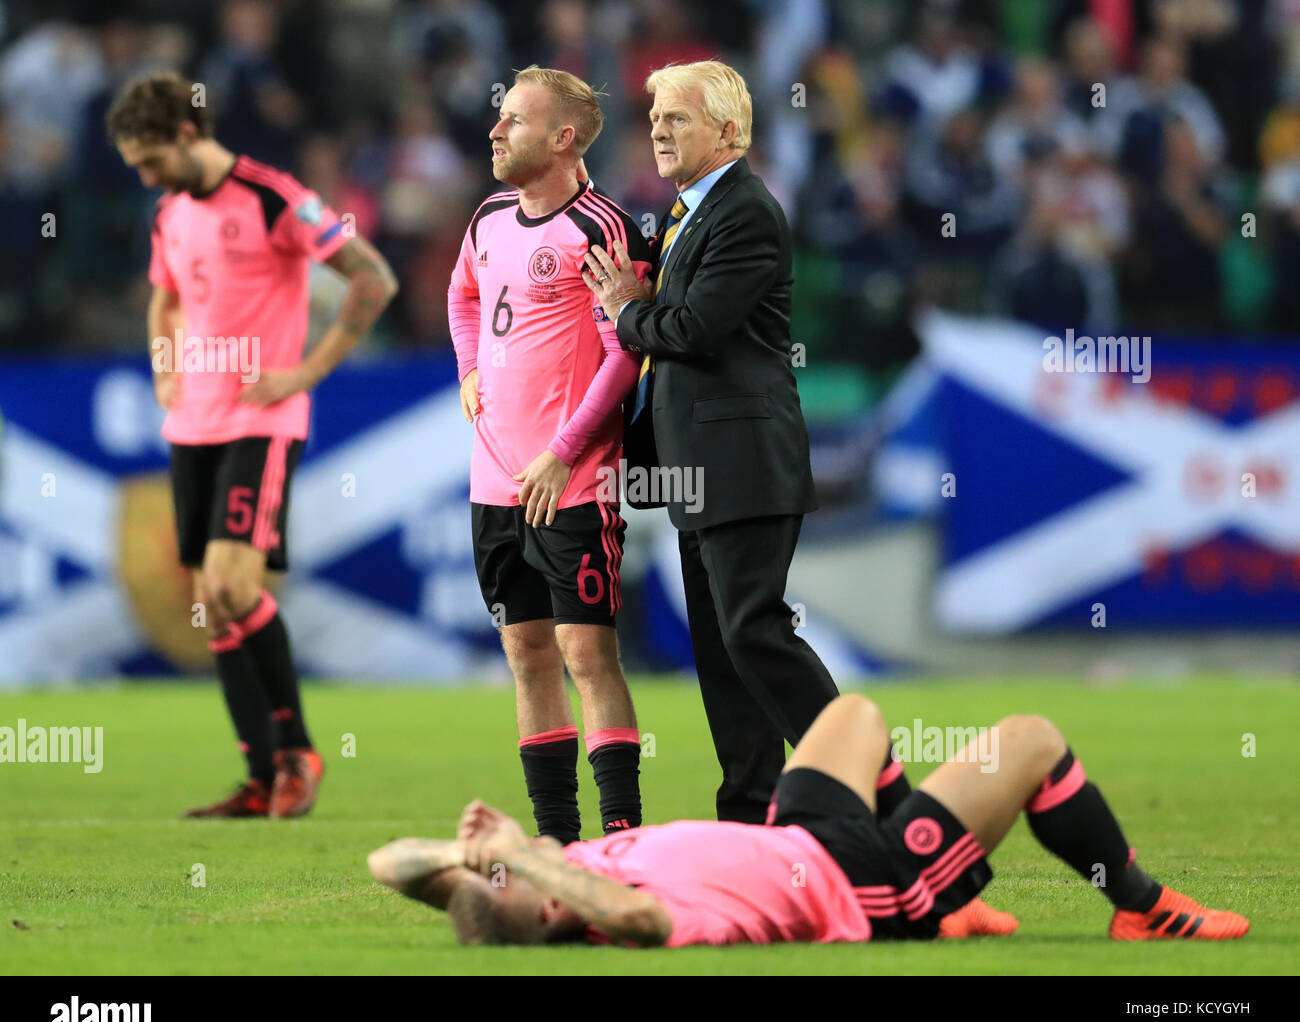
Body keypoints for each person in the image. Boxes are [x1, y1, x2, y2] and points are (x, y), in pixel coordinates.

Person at [368, 694, 1250, 947]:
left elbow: (386, 864)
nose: (515, 853)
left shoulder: (556, 884)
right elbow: (638, 918)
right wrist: (530, 859)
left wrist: (475, 854)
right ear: (556, 903)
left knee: (852, 716)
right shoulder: (618, 913)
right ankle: (1141, 905)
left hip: (801, 838)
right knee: (1031, 741)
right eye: (515, 873)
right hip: (862, 881)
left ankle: (955, 902)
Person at [109, 72, 398, 817]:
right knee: (211, 600)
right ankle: (261, 777)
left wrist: (305, 372)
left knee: (233, 588)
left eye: (151, 161)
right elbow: (165, 299)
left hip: (261, 422)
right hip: (192, 425)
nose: (146, 178)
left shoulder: (274, 197)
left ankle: (298, 752)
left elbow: (373, 279)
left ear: (186, 134)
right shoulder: (169, 212)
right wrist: (165, 368)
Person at [582, 60, 844, 826]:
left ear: (729, 130)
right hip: (697, 470)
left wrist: (627, 311)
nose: (658, 129)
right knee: (724, 649)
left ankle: (863, 780)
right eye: (655, 117)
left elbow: (695, 329)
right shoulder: (686, 214)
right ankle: (749, 814)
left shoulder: (745, 211)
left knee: (752, 630)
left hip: (744, 463)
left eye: (678, 118)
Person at [447, 66, 653, 843]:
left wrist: (565, 451)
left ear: (563, 138)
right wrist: (469, 367)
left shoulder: (603, 229)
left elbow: (626, 353)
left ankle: (621, 838)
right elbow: (462, 295)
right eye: (500, 118)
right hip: (495, 482)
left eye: (514, 121)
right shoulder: (487, 219)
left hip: (573, 483)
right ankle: (558, 844)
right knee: (527, 652)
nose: (495, 131)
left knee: (586, 652)